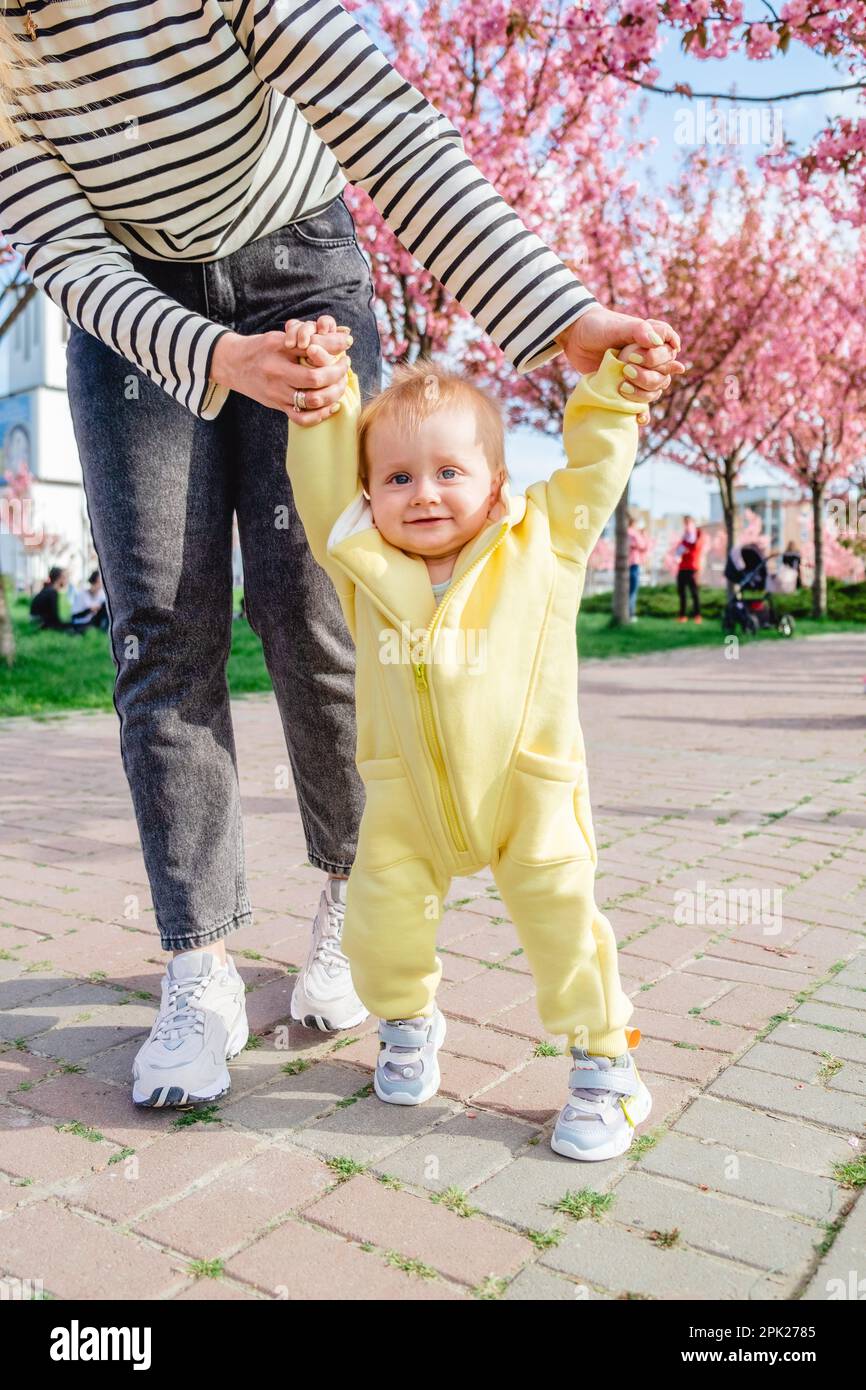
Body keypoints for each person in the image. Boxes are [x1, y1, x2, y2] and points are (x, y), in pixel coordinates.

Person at [0, 1, 681, 1110]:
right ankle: (199, 963)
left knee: (318, 603)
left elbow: (382, 120)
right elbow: (66, 254)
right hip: (131, 307)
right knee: (158, 625)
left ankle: (350, 894)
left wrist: (557, 315)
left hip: (296, 266)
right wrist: (215, 356)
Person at [284, 319, 653, 1163]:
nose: (423, 494)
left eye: (450, 472)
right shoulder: (361, 561)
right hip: (405, 796)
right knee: (378, 925)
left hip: (530, 792)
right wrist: (324, 398)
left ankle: (607, 1064)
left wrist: (608, 396)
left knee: (567, 930)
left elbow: (595, 470)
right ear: (368, 492)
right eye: (398, 477)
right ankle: (407, 1022)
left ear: (496, 484)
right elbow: (318, 490)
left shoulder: (544, 540)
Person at [675, 515, 703, 623]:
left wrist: (687, 549)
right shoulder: (685, 537)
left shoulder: (697, 535)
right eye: (685, 522)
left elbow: (696, 547)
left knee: (694, 592)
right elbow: (679, 550)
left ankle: (697, 615)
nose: (686, 525)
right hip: (682, 567)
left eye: (688, 522)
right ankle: (682, 615)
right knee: (682, 592)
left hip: (692, 567)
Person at [29, 566, 71, 631]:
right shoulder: (52, 592)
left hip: (36, 619)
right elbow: (55, 618)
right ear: (59, 579)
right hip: (38, 621)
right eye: (65, 578)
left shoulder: (48, 589)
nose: (67, 580)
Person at [626, 511, 649, 621]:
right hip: (633, 563)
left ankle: (627, 613)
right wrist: (643, 535)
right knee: (633, 591)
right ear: (633, 523)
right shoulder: (633, 534)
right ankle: (631, 614)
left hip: (626, 564)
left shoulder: (625, 533)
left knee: (628, 590)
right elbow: (643, 546)